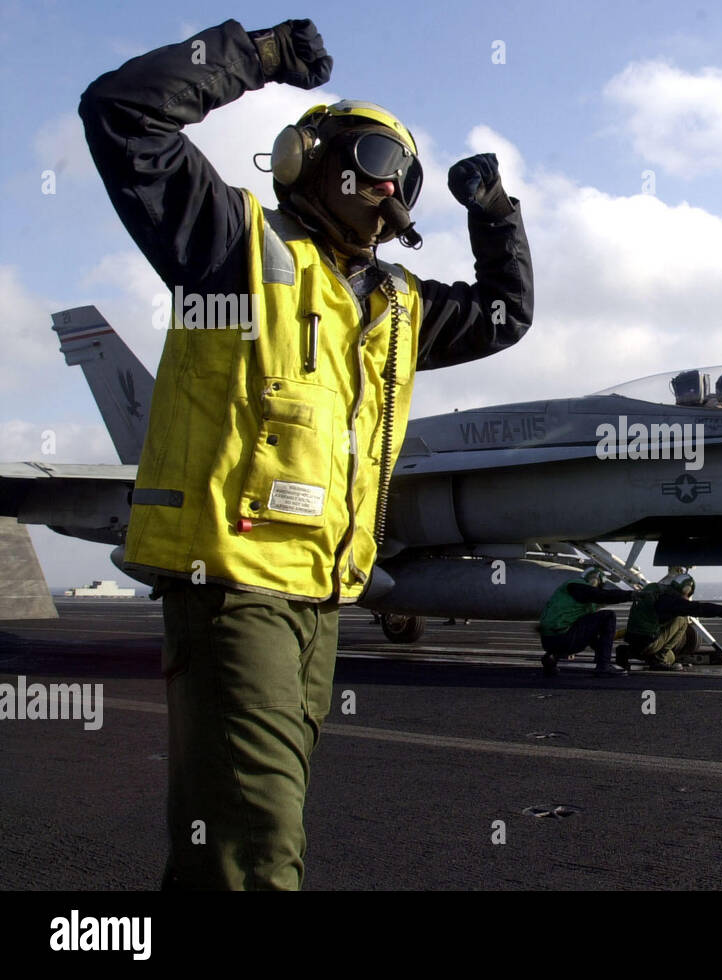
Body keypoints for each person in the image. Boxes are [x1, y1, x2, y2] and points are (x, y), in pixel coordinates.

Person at [79, 18, 533, 890]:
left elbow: (507, 317)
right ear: (303, 160)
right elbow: (121, 113)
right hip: (234, 583)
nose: (387, 181)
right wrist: (258, 56)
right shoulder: (233, 250)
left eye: (404, 173)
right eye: (370, 155)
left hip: (322, 599)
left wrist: (495, 216)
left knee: (233, 844)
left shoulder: (399, 304)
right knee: (259, 840)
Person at [618, 573, 722, 671]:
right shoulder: (673, 602)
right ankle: (659, 658)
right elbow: (699, 609)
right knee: (681, 621)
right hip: (648, 644)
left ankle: (627, 651)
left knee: (650, 638)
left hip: (632, 639)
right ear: (686, 590)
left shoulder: (652, 588)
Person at [538, 567, 637, 676]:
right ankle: (604, 666)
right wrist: (630, 595)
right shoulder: (577, 586)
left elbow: (590, 632)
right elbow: (602, 596)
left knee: (591, 624)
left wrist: (599, 649)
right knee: (608, 616)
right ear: (595, 579)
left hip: (548, 641)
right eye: (599, 585)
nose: (599, 588)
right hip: (564, 638)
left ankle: (552, 658)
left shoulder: (569, 592)